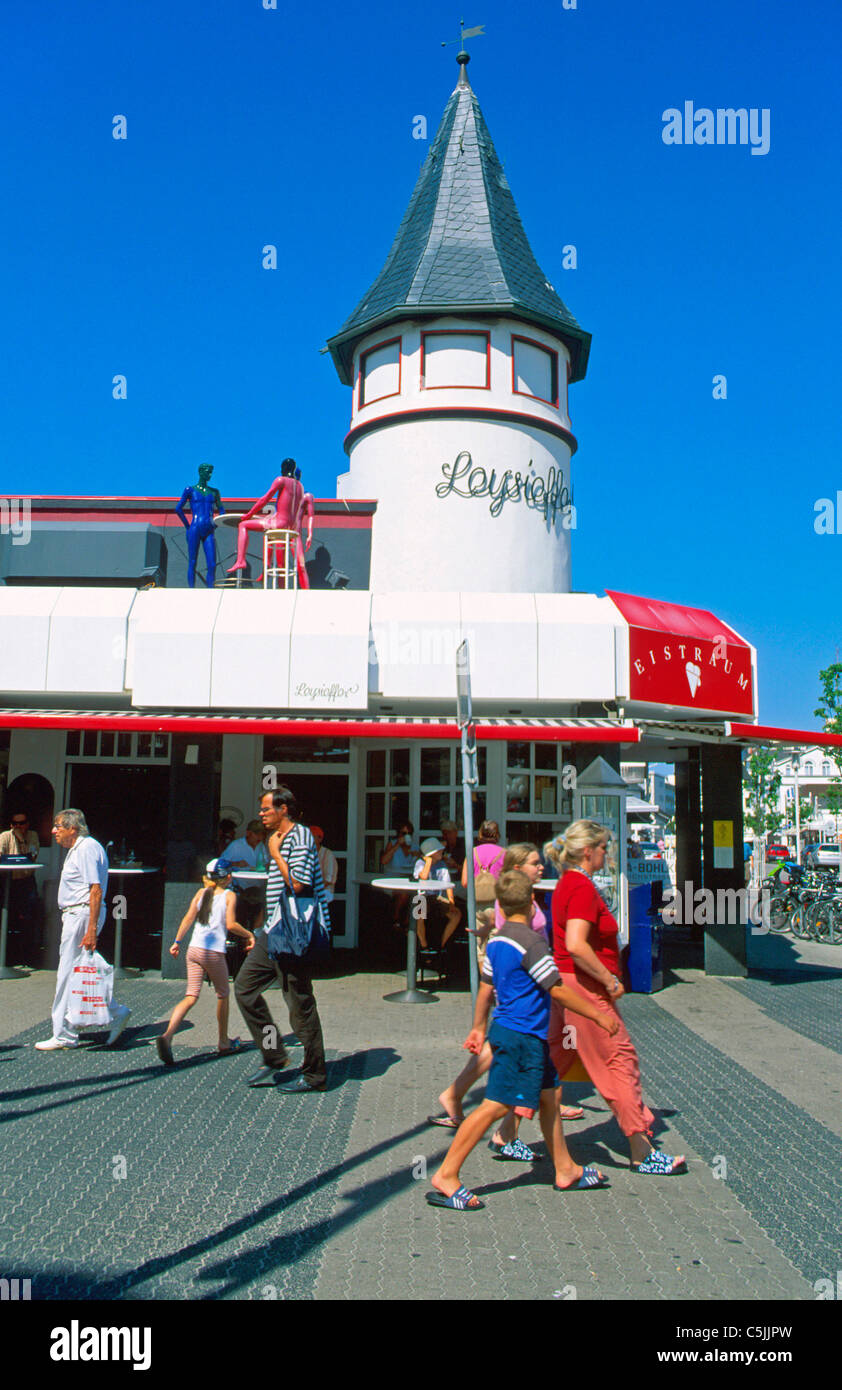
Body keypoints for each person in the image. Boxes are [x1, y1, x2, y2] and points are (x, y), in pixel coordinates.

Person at [426, 869, 618, 1210]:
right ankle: (447, 1174)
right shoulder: (532, 943)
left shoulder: (498, 939)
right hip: (522, 1038)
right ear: (533, 903)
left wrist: (477, 1027)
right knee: (495, 1105)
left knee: (549, 1097)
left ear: (500, 903)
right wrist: (600, 1015)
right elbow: (556, 989)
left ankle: (566, 1169)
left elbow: (487, 987)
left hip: (515, 1033)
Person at [547, 820, 687, 1175]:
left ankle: (506, 1128)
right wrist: (608, 978)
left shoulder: (568, 882)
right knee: (618, 1061)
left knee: (552, 1062)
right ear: (588, 851)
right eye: (605, 847)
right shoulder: (579, 886)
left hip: (566, 985)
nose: (609, 854)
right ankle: (641, 1148)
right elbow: (577, 945)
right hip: (583, 987)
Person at [432, 843, 582, 1151]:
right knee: (516, 1055)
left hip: (529, 986)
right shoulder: (516, 903)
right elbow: (509, 937)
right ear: (516, 870)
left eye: (541, 863)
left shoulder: (525, 900)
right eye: (533, 864)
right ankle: (509, 1123)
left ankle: (478, 1103)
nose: (540, 868)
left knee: (507, 1051)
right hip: (524, 987)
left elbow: (500, 928)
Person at [235, 787, 328, 1093]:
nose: (261, 814)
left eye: (266, 809)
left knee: (300, 1004)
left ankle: (315, 1075)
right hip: (274, 931)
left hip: (295, 932)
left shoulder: (298, 837)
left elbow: (299, 884)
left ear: (284, 808)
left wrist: (275, 854)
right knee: (245, 988)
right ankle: (275, 1056)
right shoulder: (276, 838)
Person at [35, 809, 131, 1051]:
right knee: (79, 970)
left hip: (81, 914)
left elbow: (95, 889)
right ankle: (115, 1012)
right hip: (79, 915)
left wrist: (90, 930)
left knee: (67, 973)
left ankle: (64, 1034)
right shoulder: (80, 849)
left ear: (73, 829)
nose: (53, 831)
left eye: (58, 826)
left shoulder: (86, 849)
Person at [156, 858, 255, 1065]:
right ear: (228, 877)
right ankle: (223, 1042)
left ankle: (167, 1035)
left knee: (191, 996)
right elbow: (231, 924)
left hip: (193, 949)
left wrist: (176, 942)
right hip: (213, 952)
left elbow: (187, 918)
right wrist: (249, 934)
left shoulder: (201, 893)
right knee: (223, 994)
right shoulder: (229, 896)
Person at [227, 458, 314, 588]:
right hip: (292, 528)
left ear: (283, 468)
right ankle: (299, 590)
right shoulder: (300, 487)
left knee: (243, 525)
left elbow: (264, 499)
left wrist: (249, 515)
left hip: (279, 524)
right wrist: (310, 534)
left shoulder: (281, 480)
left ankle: (241, 560)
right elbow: (306, 513)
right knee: (296, 565)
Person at [0, 811, 43, 962]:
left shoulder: (33, 836)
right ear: (11, 825)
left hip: (26, 880)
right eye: (15, 823)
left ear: (28, 824)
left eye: (22, 823)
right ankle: (7, 954)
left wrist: (21, 840)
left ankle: (26, 954)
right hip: (8, 882)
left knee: (29, 915)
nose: (18, 826)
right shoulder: (5, 836)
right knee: (7, 915)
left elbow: (32, 856)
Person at [175, 462, 225, 588]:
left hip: (209, 528)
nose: (210, 474)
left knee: (212, 564)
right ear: (200, 472)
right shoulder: (190, 490)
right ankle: (191, 590)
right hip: (195, 527)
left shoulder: (214, 492)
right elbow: (178, 509)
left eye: (211, 472)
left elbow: (222, 510)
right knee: (192, 561)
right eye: (207, 472)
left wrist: (215, 523)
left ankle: (210, 589)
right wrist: (187, 526)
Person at [460, 819, 504, 956]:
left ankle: (482, 977)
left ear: (480, 834)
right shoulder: (504, 854)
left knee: (479, 949)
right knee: (496, 943)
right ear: (497, 835)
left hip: (476, 903)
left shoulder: (472, 853)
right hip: (497, 903)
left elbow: (465, 882)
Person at [414, 837, 461, 952]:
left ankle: (441, 945)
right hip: (421, 897)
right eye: (438, 851)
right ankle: (423, 945)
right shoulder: (420, 863)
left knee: (456, 914)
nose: (441, 852)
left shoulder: (442, 865)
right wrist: (428, 862)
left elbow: (448, 885)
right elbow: (423, 877)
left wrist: (451, 903)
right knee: (419, 914)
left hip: (436, 898)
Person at [380, 821, 419, 930]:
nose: (407, 836)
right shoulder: (392, 844)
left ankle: (410, 924)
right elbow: (383, 861)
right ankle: (396, 919)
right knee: (404, 894)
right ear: (399, 834)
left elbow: (421, 865)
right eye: (404, 833)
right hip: (392, 880)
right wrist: (397, 844)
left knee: (418, 896)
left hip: (408, 880)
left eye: (409, 833)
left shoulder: (414, 847)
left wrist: (419, 855)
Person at [310, 826, 338, 902]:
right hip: (308, 892)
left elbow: (328, 880)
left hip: (324, 891)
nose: (309, 840)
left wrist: (310, 890)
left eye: (312, 837)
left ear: (320, 839)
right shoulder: (305, 853)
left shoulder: (327, 854)